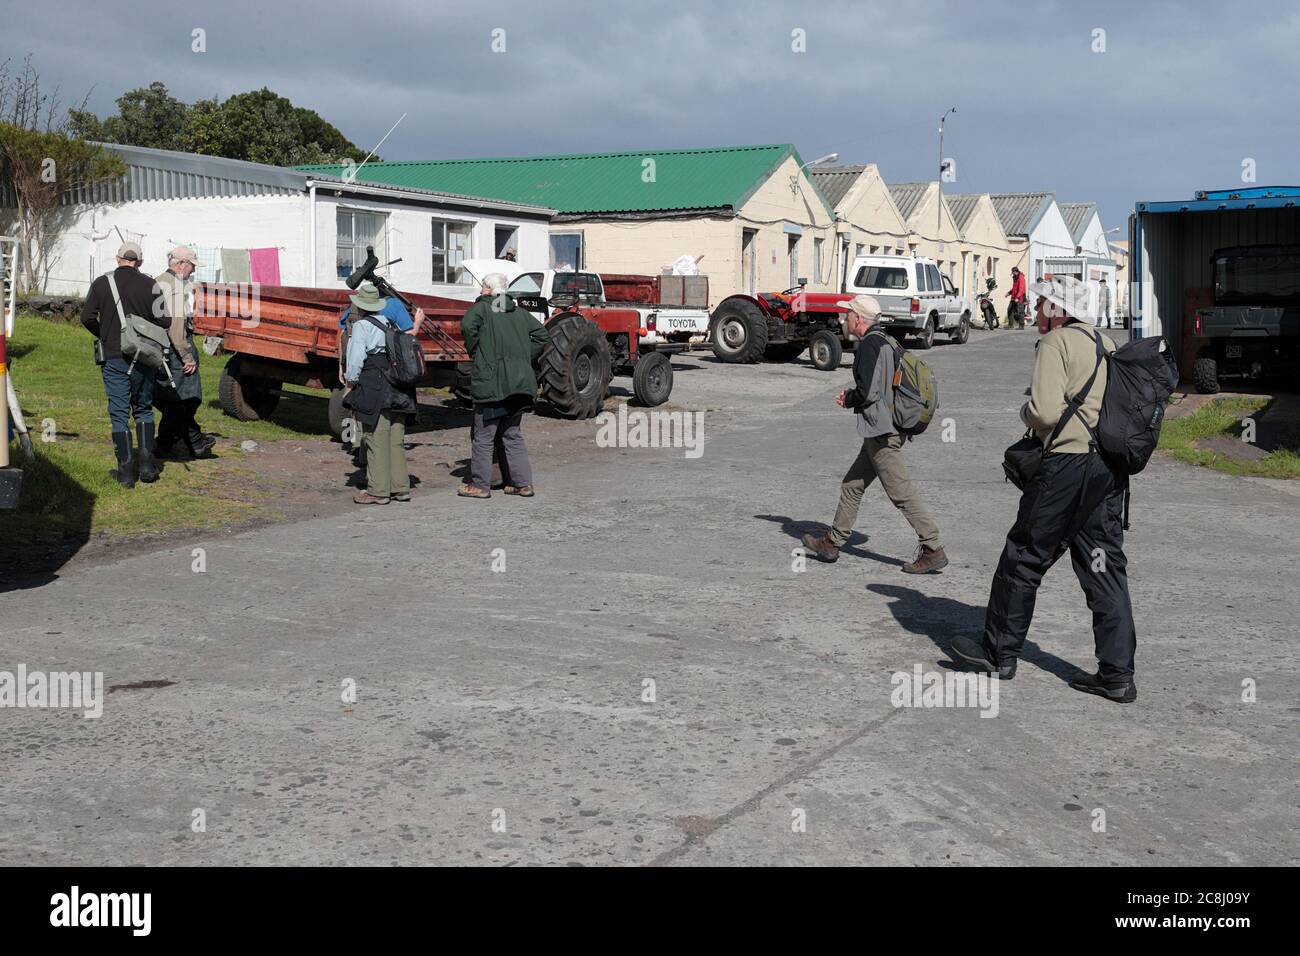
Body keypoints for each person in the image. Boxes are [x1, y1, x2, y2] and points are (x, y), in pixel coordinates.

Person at [947, 274, 1137, 703]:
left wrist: (1025, 409)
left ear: (1058, 310)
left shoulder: (1056, 344)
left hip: (1066, 466)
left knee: (1024, 556)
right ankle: (1117, 674)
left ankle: (998, 654)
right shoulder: (1105, 342)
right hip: (1107, 470)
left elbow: (1046, 413)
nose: (1035, 312)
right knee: (1103, 568)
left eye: (1041, 305)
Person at [801, 295, 948, 574]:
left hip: (883, 433)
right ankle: (832, 544)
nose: (844, 320)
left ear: (859, 318)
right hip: (880, 430)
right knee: (852, 485)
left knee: (901, 493)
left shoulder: (870, 344)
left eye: (848, 315)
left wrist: (848, 398)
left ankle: (933, 548)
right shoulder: (887, 340)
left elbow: (869, 391)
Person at [79, 242, 172, 488]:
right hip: (144, 356)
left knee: (119, 413)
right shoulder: (151, 285)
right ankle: (147, 466)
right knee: (143, 408)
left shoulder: (101, 283)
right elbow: (165, 320)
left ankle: (125, 472)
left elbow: (86, 317)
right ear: (139, 262)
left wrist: (106, 335)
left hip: (114, 356)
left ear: (118, 258)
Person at [457, 272, 549, 499]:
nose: (480, 291)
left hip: (493, 384)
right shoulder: (519, 312)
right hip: (520, 384)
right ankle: (522, 484)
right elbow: (542, 335)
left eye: (482, 287)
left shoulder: (483, 309)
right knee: (512, 434)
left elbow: (468, 326)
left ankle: (480, 485)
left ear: (488, 289)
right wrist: (524, 357)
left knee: (484, 436)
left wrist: (475, 351)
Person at [342, 282, 417, 504]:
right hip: (399, 386)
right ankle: (401, 488)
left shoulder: (362, 326)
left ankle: (378, 490)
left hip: (375, 383)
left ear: (361, 306)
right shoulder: (391, 324)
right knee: (396, 439)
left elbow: (356, 359)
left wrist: (351, 382)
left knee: (375, 437)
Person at [153, 246, 214, 460]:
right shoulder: (175, 287)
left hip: (159, 348)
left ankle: (190, 442)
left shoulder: (158, 280)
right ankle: (177, 443)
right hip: (175, 351)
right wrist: (187, 356)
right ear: (180, 265)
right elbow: (176, 327)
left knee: (174, 400)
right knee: (185, 400)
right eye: (191, 267)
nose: (193, 272)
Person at [1006, 265, 1027, 329]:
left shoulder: (1021, 278)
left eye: (1013, 272)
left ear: (1015, 271)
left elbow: (1021, 289)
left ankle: (1021, 326)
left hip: (1020, 297)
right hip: (1014, 296)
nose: (1012, 274)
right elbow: (1015, 288)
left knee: (1020, 311)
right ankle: (1010, 325)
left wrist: (1017, 297)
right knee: (1009, 310)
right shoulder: (1015, 277)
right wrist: (1009, 293)